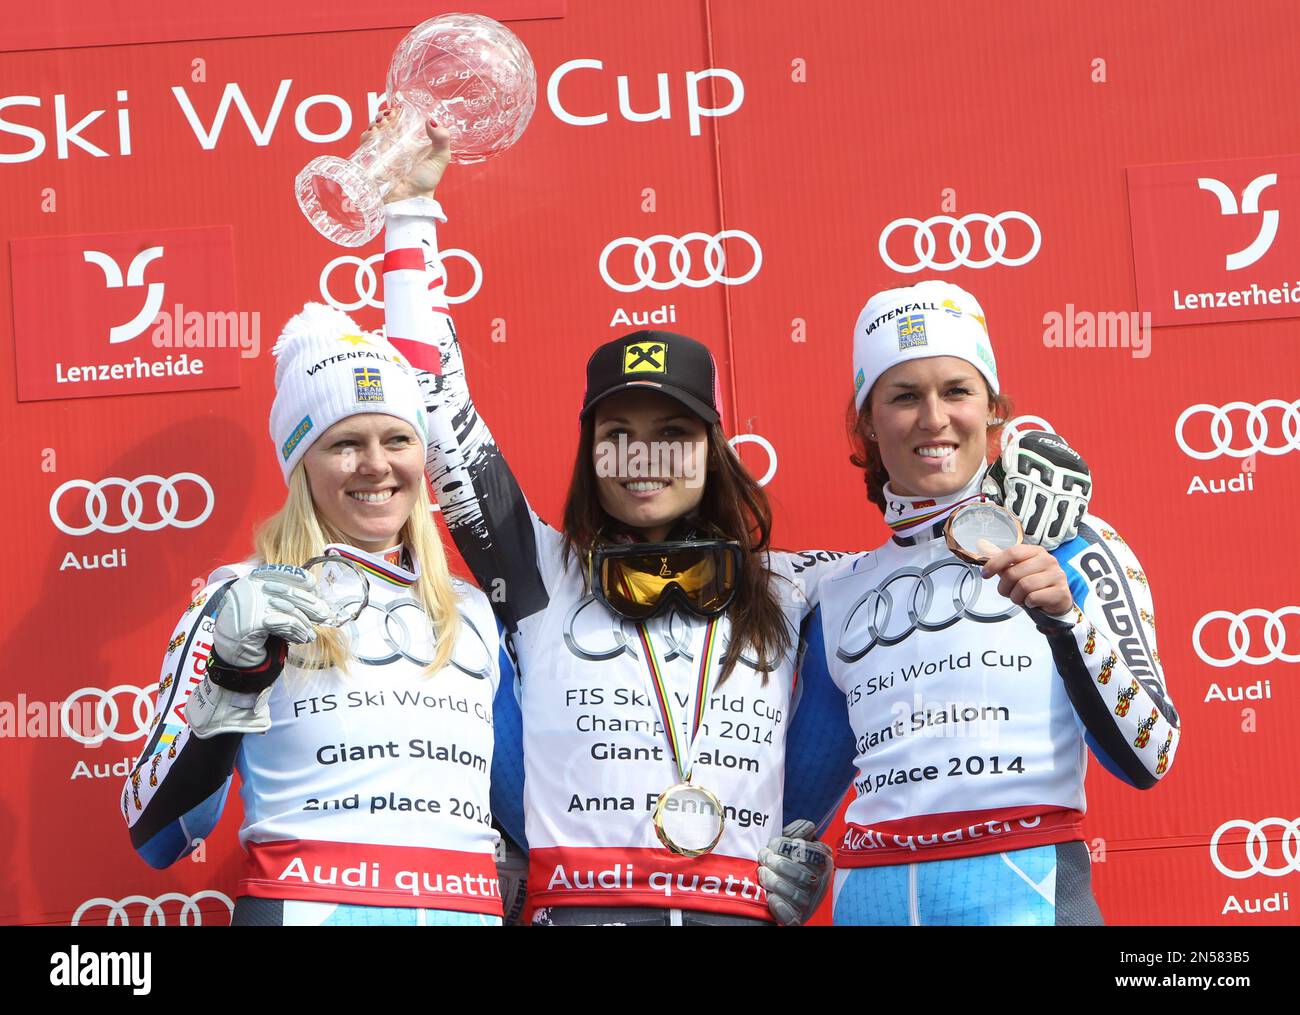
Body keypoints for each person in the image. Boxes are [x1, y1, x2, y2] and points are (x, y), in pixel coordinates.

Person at [366, 111, 855, 926]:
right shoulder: (537, 568)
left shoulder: (796, 584)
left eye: (672, 435)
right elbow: (430, 406)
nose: (644, 457)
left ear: (714, 450)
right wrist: (410, 214)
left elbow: (936, 553)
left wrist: (1017, 482)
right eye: (618, 435)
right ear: (589, 451)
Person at [798, 279, 1181, 925]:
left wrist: (1065, 623)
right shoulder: (839, 591)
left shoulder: (1070, 542)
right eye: (903, 395)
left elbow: (1150, 755)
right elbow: (797, 804)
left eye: (956, 390)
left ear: (994, 407)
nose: (933, 418)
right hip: (870, 897)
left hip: (1022, 887)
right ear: (867, 419)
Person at [122, 292, 509, 927]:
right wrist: (229, 680)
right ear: (301, 464)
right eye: (345, 443)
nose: (377, 465)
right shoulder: (242, 595)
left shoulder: (469, 611)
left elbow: (527, 815)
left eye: (397, 438)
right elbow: (158, 835)